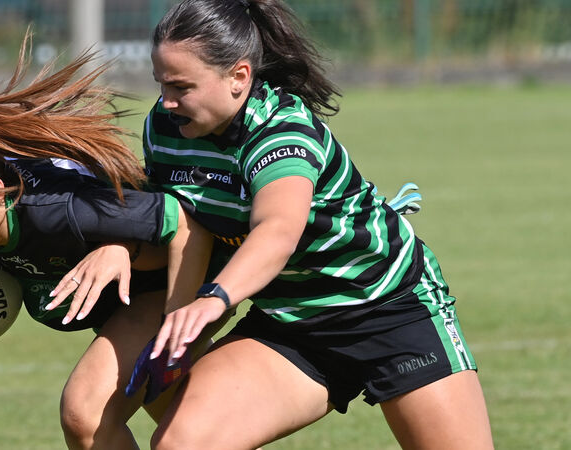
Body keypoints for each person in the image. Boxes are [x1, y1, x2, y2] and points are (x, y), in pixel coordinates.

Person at [78, 0, 495, 448]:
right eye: (161, 83)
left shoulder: (282, 130)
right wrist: (119, 246)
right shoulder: (165, 129)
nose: (167, 100)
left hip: (389, 310)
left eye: (181, 86)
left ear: (239, 77)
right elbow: (169, 218)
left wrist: (214, 300)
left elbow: (277, 231)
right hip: (290, 326)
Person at [0, 33, 215, 450]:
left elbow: (188, 226)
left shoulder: (61, 209)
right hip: (119, 307)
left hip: (160, 290)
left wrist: (132, 262)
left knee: (86, 415)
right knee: (191, 438)